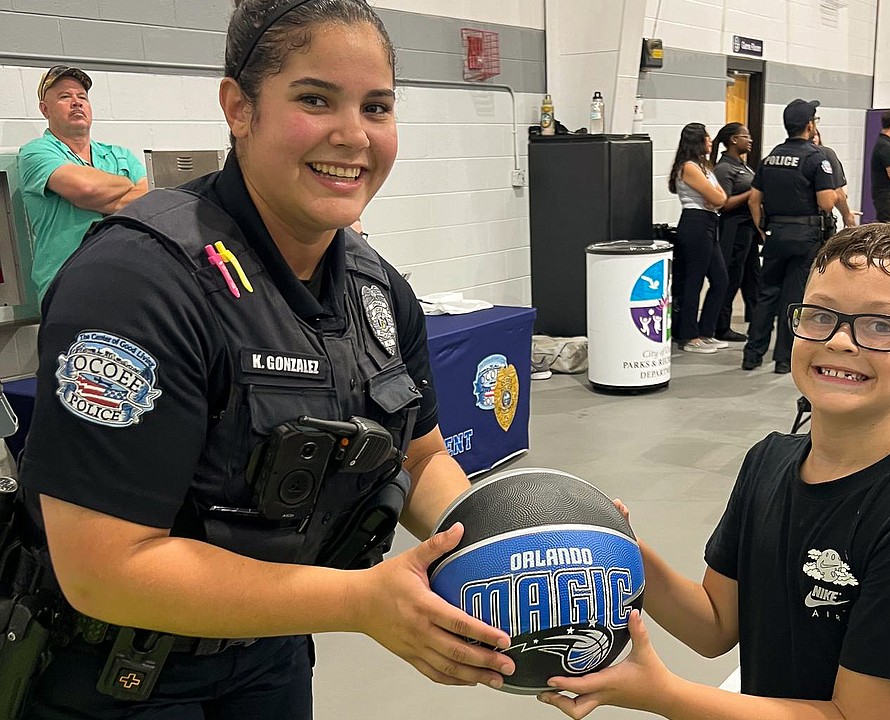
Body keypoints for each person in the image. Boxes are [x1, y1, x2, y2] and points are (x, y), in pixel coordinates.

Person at [9, 1, 515, 717]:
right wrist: (362, 601)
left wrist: (516, 541)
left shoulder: (375, 289)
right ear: (237, 107)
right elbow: (105, 568)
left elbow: (422, 457)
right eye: (315, 98)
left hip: (269, 653)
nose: (353, 135)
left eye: (377, 106)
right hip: (114, 677)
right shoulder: (137, 283)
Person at [539, 224, 890, 720]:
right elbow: (715, 625)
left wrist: (662, 694)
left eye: (881, 325)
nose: (839, 340)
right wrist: (619, 550)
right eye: (820, 315)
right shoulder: (768, 461)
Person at [18, 65, 148, 306]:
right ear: (44, 109)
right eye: (65, 97)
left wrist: (96, 194)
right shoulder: (35, 153)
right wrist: (125, 186)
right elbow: (86, 189)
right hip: (67, 288)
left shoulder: (119, 154)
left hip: (126, 283)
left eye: (82, 97)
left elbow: (148, 201)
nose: (76, 103)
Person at [743, 99, 837, 374]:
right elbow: (826, 202)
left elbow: (754, 198)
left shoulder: (771, 157)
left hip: (775, 233)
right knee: (793, 297)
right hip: (805, 236)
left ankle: (752, 354)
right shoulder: (816, 158)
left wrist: (761, 227)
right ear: (809, 125)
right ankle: (784, 359)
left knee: (766, 294)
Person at [669, 123, 729, 354]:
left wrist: (717, 198)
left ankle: (706, 331)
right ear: (698, 141)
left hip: (709, 223)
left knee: (720, 280)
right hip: (696, 223)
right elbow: (717, 197)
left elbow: (720, 197)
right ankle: (689, 336)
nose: (711, 143)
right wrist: (716, 198)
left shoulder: (704, 167)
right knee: (694, 281)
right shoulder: (689, 167)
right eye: (708, 139)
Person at [709, 122, 756, 343]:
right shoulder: (724, 168)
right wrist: (752, 193)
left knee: (751, 278)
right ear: (734, 140)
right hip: (732, 229)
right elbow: (724, 203)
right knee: (730, 278)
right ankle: (721, 326)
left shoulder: (743, 166)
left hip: (748, 229)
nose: (750, 140)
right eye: (746, 136)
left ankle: (756, 319)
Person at [812, 128, 857, 229]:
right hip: (815, 222)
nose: (814, 138)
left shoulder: (779, 152)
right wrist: (847, 215)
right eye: (812, 135)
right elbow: (837, 193)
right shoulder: (826, 154)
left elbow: (841, 191)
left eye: (816, 135)